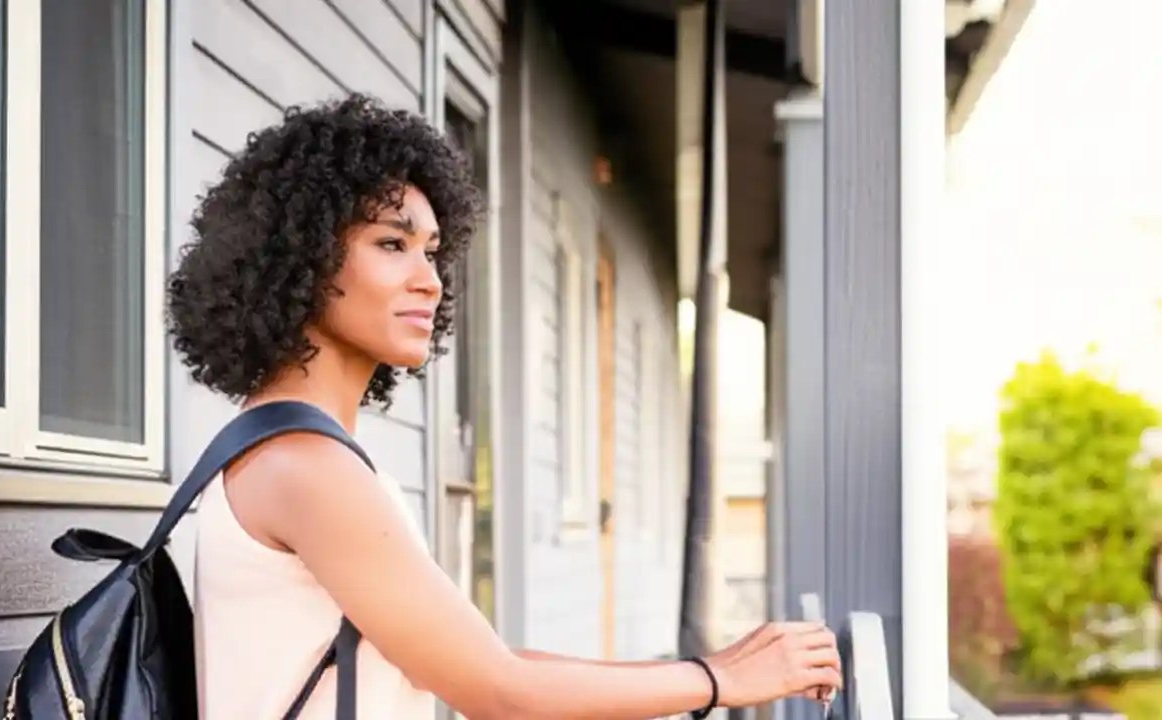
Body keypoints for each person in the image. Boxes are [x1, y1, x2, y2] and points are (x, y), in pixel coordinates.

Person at [166, 93, 842, 719]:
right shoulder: (306, 467)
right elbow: (499, 692)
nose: (430, 281)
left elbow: (487, 663)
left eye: (433, 252)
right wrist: (718, 680)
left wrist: (707, 672)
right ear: (302, 257)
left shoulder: (289, 449)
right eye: (393, 244)